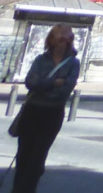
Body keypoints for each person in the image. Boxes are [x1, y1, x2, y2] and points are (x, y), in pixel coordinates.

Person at [12, 23, 80, 193]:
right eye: (60, 38)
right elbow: (30, 83)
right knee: (23, 156)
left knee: (38, 156)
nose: (63, 42)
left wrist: (43, 85)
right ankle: (18, 189)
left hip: (52, 113)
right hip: (32, 111)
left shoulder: (73, 63)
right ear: (52, 40)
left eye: (67, 38)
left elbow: (65, 90)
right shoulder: (41, 59)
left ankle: (28, 188)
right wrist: (53, 82)